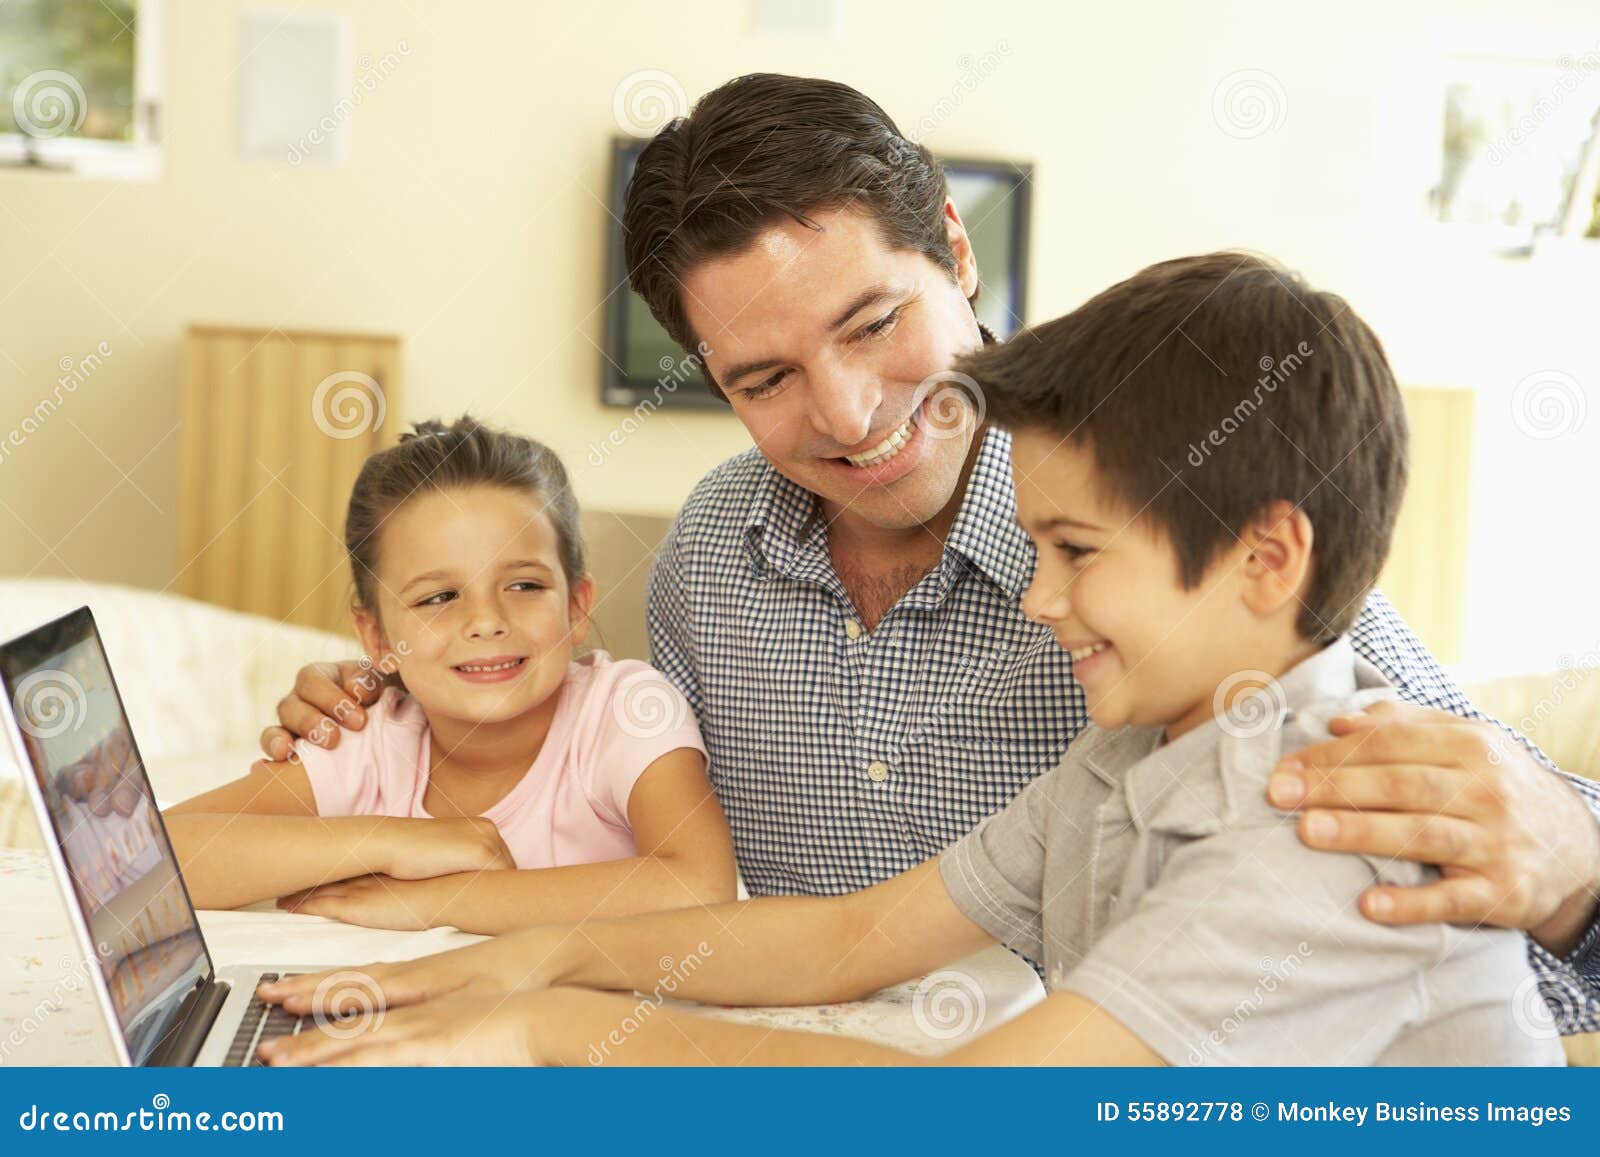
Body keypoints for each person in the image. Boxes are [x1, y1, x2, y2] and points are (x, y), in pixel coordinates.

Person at [258, 75, 1600, 1022]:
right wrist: (392, 704)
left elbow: (1495, 834)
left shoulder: (1168, 528)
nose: (846, 416)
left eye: (871, 322)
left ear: (954, 248)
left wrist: (1578, 863)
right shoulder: (707, 562)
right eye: (764, 375)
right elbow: (626, 807)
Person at [165, 417, 735, 934]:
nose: (486, 621)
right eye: (438, 596)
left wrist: (445, 899)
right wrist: (393, 842)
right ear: (377, 639)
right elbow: (140, 866)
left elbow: (699, 888)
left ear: (577, 606)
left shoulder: (623, 711)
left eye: (525, 585)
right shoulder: (372, 741)